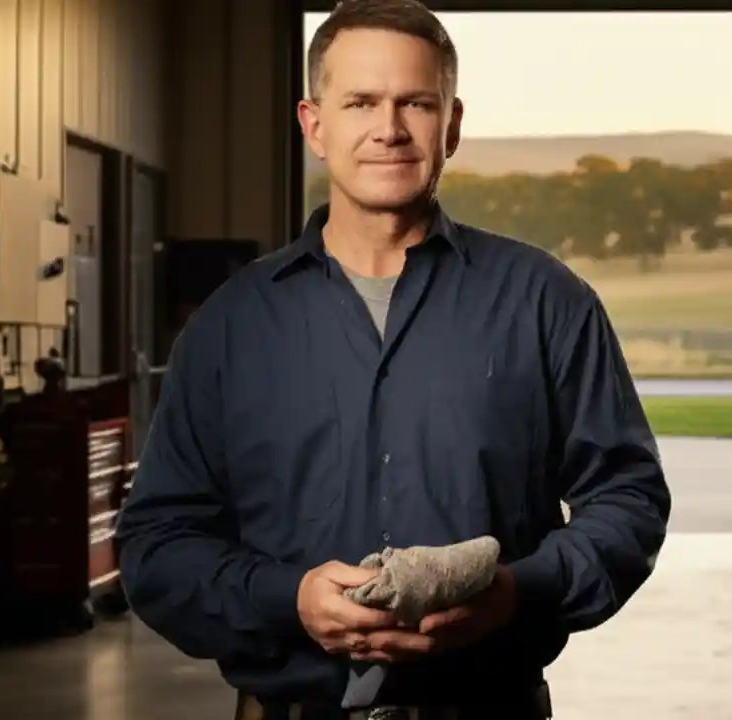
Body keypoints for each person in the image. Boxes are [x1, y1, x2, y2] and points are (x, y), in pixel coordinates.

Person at [114, 1, 671, 718]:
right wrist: (287, 599)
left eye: (416, 102)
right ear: (315, 125)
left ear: (454, 124)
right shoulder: (231, 327)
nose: (389, 128)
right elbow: (157, 544)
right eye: (361, 102)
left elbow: (628, 500)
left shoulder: (546, 303)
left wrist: (515, 592)